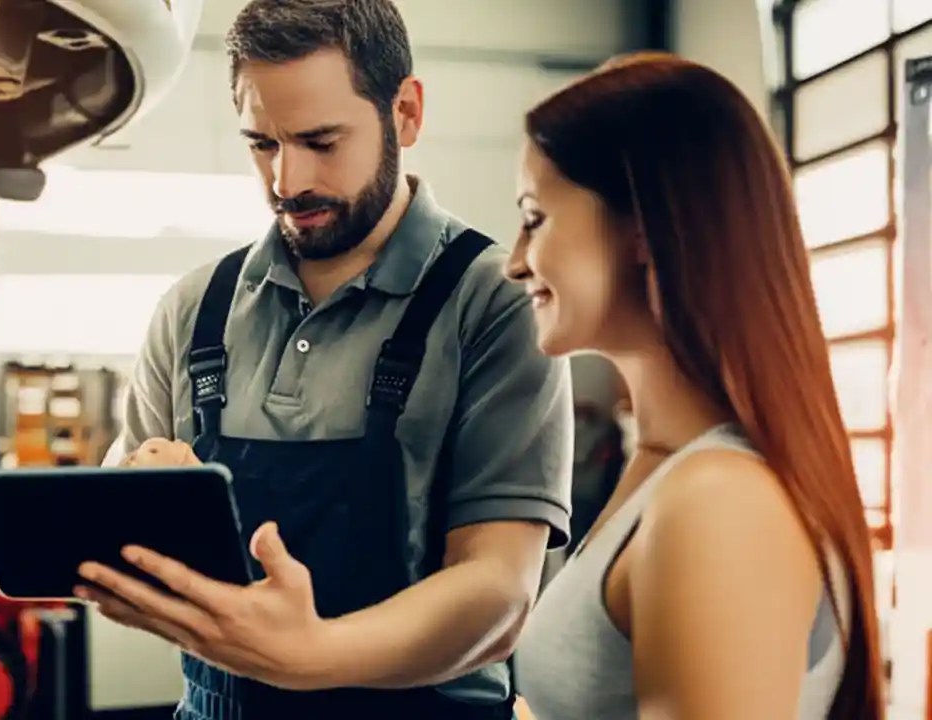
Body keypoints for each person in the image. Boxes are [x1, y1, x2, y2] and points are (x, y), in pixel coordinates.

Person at [74, 0, 574, 717]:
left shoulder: (495, 304)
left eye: (320, 141)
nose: (286, 180)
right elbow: (119, 544)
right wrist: (138, 508)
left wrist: (309, 657)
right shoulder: (192, 312)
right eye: (262, 144)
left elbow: (497, 590)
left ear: (405, 112)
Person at [506, 53, 884, 719]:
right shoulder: (669, 471)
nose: (514, 262)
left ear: (644, 228)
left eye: (535, 217)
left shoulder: (718, 502)